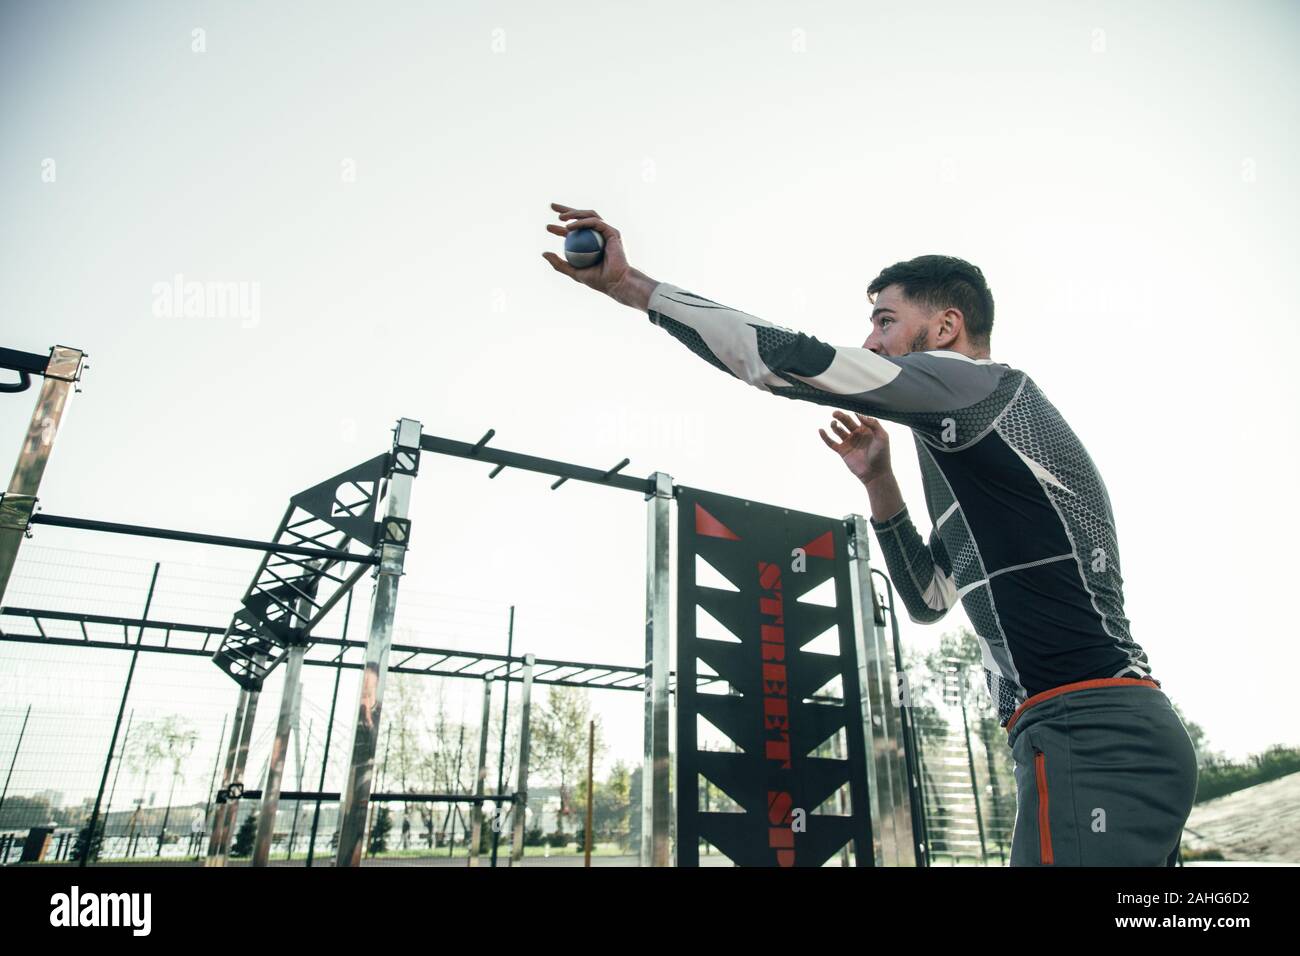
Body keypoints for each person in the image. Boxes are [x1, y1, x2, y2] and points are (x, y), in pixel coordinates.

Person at [542, 202, 1199, 866]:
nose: (875, 341)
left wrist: (632, 288)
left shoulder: (979, 388)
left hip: (1090, 727)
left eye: (885, 320)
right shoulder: (969, 455)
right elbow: (929, 598)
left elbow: (786, 361)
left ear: (946, 327)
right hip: (1085, 728)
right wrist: (880, 481)